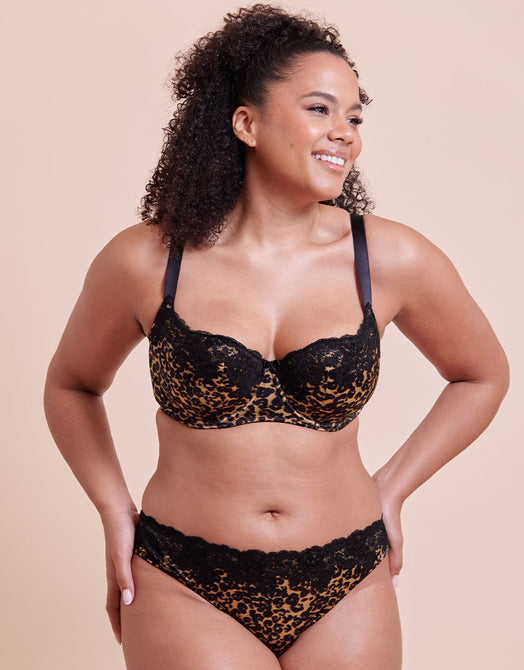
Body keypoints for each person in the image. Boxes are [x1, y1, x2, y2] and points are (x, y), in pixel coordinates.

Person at [43, 4, 509, 669]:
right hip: (185, 580)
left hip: (347, 576)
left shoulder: (390, 258)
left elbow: (482, 374)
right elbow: (71, 385)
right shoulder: (145, 261)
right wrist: (114, 510)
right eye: (320, 109)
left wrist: (393, 486)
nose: (344, 132)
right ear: (247, 123)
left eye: (355, 117)